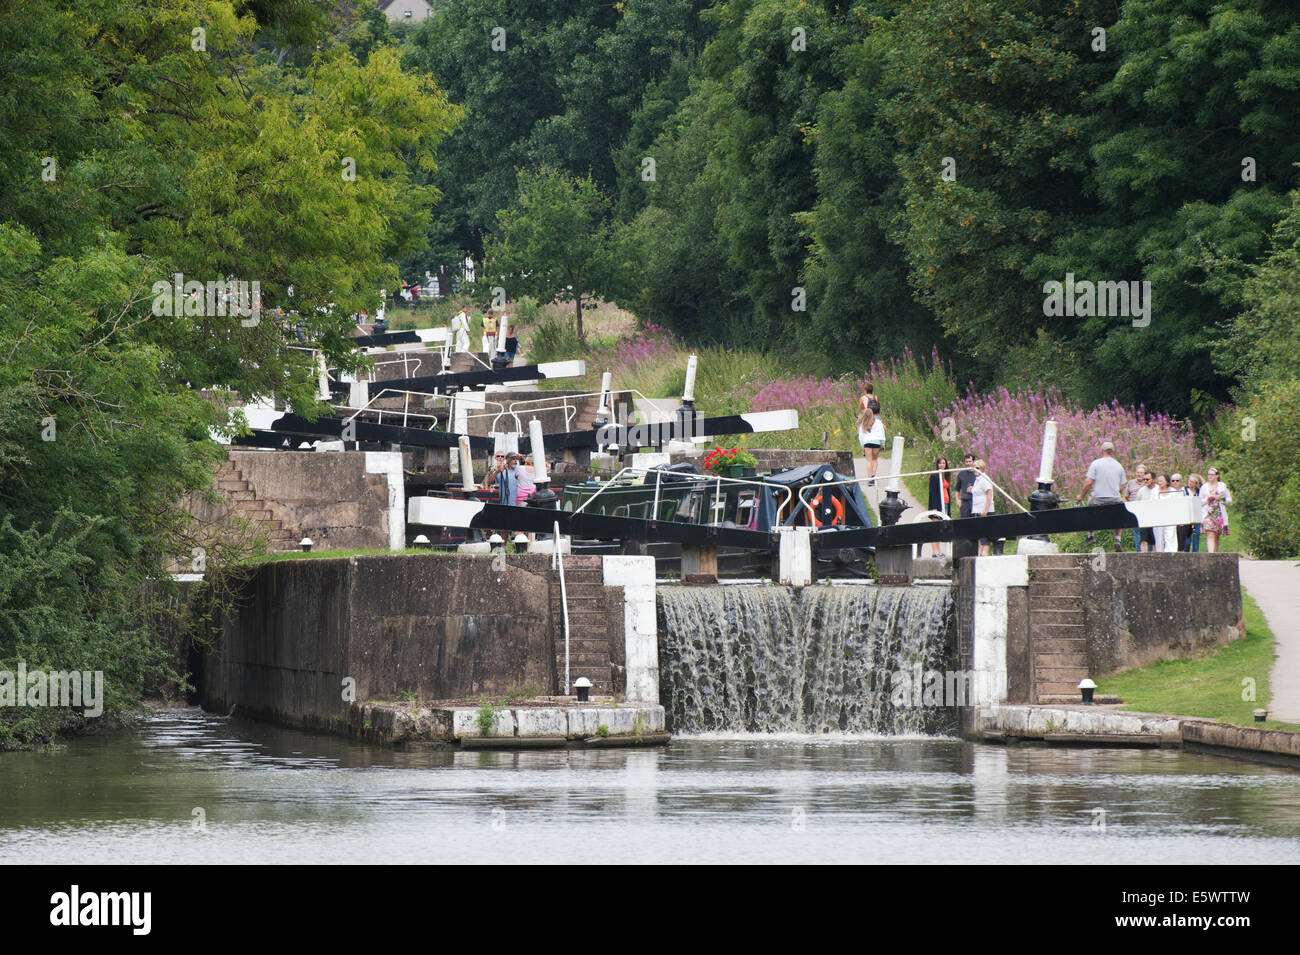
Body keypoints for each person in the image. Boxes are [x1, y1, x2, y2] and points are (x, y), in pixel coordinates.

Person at [1075, 440, 1126, 551]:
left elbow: (1088, 482)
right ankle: (1117, 538)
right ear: (1112, 452)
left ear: (1102, 451)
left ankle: (1090, 536)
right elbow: (1123, 485)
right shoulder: (1119, 466)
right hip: (1115, 499)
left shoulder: (1096, 464)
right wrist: (1116, 492)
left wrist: (1081, 496)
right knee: (1119, 514)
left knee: (1089, 510)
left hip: (1098, 499)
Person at [1200, 467, 1232, 553]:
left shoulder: (1222, 486)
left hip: (1219, 513)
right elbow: (1199, 502)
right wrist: (1207, 499)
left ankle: (1215, 556)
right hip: (1208, 514)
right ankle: (1210, 555)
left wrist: (1220, 499)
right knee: (1210, 534)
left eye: (1212, 474)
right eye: (1208, 474)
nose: (1210, 476)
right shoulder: (1204, 487)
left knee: (1216, 536)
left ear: (1217, 476)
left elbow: (1229, 500)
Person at [927, 456, 951, 557]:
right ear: (937, 465)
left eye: (943, 463)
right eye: (940, 463)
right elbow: (932, 492)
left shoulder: (946, 475)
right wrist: (934, 508)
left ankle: (939, 551)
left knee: (941, 528)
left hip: (945, 503)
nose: (942, 465)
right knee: (935, 528)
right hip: (937, 504)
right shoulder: (935, 476)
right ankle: (935, 551)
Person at [856, 402, 886, 485]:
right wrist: (883, 444)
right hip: (876, 442)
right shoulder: (878, 422)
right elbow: (882, 433)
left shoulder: (863, 424)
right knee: (875, 460)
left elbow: (861, 437)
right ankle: (873, 475)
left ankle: (869, 479)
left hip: (867, 442)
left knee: (868, 461)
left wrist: (862, 447)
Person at [970, 459, 995, 556]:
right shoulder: (977, 479)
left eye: (977, 468)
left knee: (985, 532)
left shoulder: (984, 479)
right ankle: (979, 551)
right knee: (979, 532)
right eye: (974, 468)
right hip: (977, 509)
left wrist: (985, 509)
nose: (975, 470)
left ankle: (985, 552)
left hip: (984, 510)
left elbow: (989, 494)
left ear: (982, 468)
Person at [1122, 463, 1147, 551]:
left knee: (1147, 533)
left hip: (1146, 511)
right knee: (1136, 533)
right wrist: (1128, 509)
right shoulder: (1131, 483)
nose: (1139, 474)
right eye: (1137, 472)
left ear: (1145, 474)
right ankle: (1138, 551)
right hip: (1134, 512)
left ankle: (1149, 552)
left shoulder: (1147, 483)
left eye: (1141, 473)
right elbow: (1125, 497)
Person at [1153, 474, 1179, 552]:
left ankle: (1171, 554)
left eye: (1161, 481)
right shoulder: (1154, 491)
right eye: (1159, 481)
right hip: (1158, 518)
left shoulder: (1173, 491)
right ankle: (1160, 553)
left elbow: (1176, 505)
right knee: (1159, 538)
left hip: (1170, 518)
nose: (1159, 482)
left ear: (1167, 482)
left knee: (1170, 536)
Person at [1171, 473, 1193, 552]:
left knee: (1181, 542)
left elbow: (1189, 506)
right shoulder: (1170, 491)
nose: (1175, 482)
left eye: (1177, 480)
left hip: (1183, 520)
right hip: (1172, 519)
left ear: (1181, 482)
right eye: (1173, 481)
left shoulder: (1186, 491)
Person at [1185, 474, 1205, 552]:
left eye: (1193, 482)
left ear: (1196, 483)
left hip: (1197, 518)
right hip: (1187, 519)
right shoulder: (1184, 491)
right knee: (1186, 542)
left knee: (1196, 541)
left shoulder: (1199, 492)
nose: (1190, 483)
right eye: (1189, 481)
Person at [955, 453, 976, 520]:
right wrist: (957, 500)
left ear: (973, 462)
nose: (968, 463)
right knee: (964, 523)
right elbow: (957, 489)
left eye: (970, 461)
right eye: (966, 462)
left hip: (975, 501)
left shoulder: (977, 473)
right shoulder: (961, 474)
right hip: (964, 502)